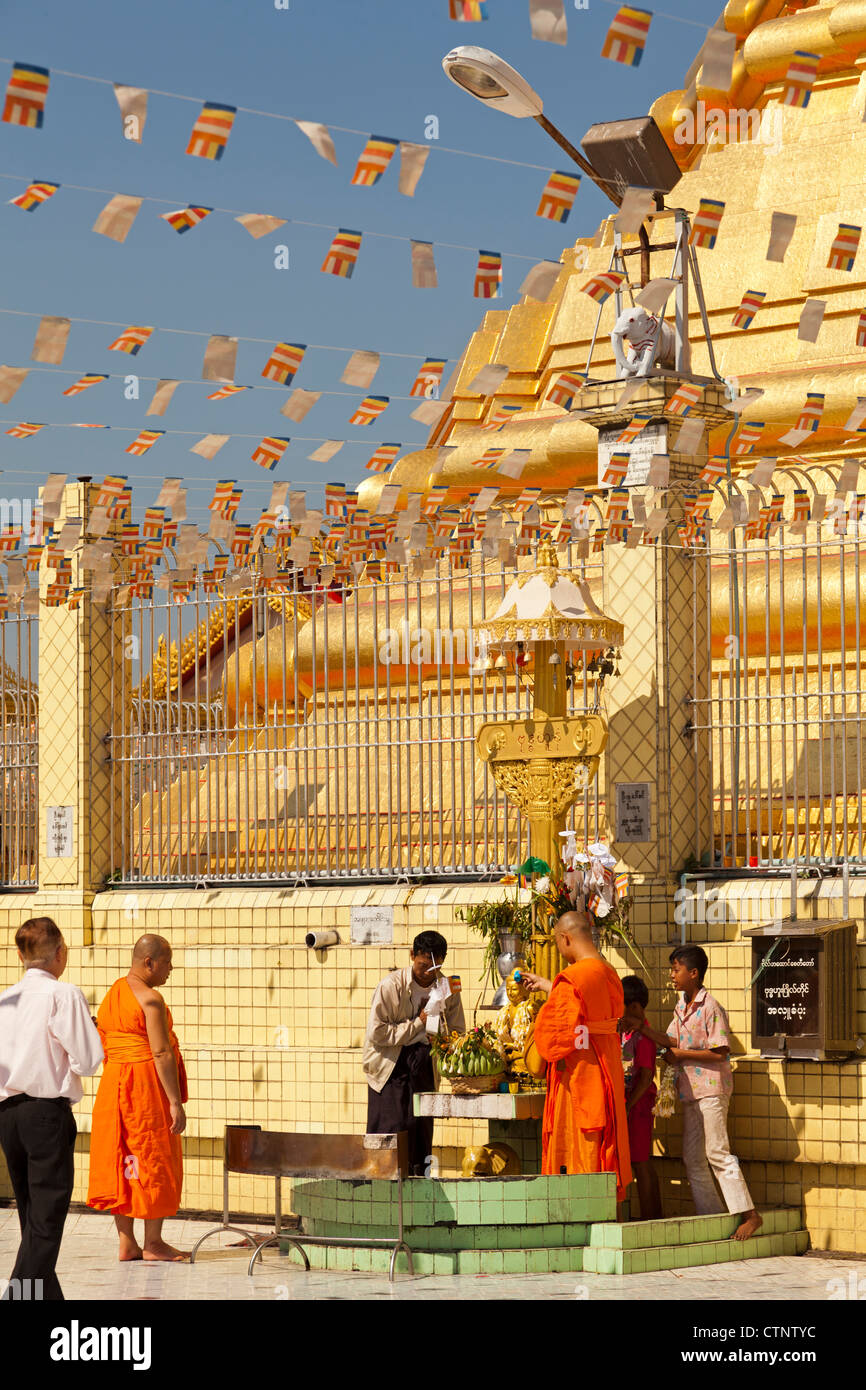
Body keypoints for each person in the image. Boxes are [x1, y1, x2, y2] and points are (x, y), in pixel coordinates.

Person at [0, 917, 103, 1300]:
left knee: (32, 1216)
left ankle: (44, 1298)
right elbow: (89, 1060)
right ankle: (17, 1298)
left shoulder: (5, 999)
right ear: (61, 953)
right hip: (46, 1114)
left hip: (8, 1114)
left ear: (20, 956)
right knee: (46, 1221)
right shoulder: (64, 995)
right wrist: (88, 1035)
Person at [640, 944, 762, 1241]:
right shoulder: (681, 1006)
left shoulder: (710, 1007)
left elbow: (721, 1052)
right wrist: (641, 1029)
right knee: (693, 1158)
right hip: (690, 1092)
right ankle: (712, 1216)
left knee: (717, 1152)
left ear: (693, 973)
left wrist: (681, 1054)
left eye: (676, 969)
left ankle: (750, 1215)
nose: (672, 975)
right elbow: (669, 1038)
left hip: (712, 1090)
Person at [86, 934, 189, 1261]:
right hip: (144, 1089)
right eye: (167, 962)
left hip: (114, 1085)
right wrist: (175, 1101)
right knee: (152, 1156)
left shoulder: (111, 995)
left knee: (125, 1159)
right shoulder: (150, 999)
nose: (170, 969)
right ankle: (154, 1242)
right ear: (149, 962)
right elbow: (161, 1052)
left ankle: (127, 1241)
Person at [525, 910, 632, 1200]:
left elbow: (553, 1039)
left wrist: (539, 1020)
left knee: (579, 1149)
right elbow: (589, 1013)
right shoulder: (608, 972)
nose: (560, 950)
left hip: (579, 1077)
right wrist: (551, 987)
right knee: (604, 1148)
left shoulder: (572, 978)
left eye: (558, 944)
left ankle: (583, 1224)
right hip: (607, 1070)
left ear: (566, 938)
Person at [363, 930, 464, 1176]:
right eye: (422, 966)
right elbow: (377, 1033)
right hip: (390, 1067)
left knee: (421, 1128)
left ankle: (420, 1187)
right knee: (391, 1130)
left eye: (435, 967)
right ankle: (382, 1188)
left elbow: (458, 1031)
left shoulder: (448, 986)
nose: (429, 973)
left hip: (425, 1063)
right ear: (412, 956)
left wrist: (444, 1039)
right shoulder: (391, 986)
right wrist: (418, 1024)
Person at [620, 975, 662, 1220]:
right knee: (636, 1160)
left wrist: (629, 1106)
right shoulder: (625, 1032)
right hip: (627, 1103)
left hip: (639, 1104)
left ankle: (651, 1218)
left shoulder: (643, 1035)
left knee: (641, 1161)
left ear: (634, 1006)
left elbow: (646, 1077)